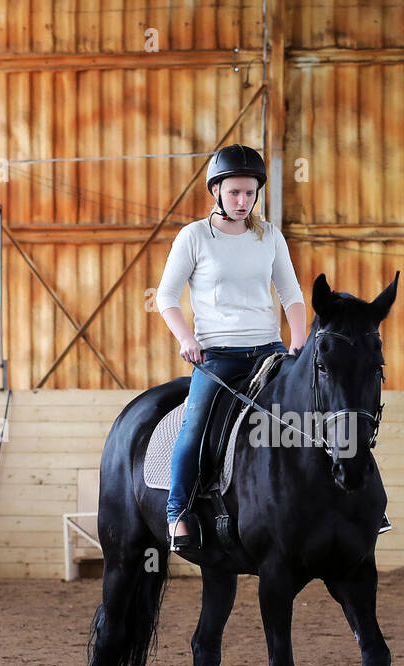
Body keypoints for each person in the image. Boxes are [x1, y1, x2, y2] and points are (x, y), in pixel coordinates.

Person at [154, 144, 307, 553]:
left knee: (316, 410)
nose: (243, 201)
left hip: (269, 350)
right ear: (217, 191)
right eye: (234, 192)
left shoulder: (269, 236)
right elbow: (165, 297)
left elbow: (291, 292)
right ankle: (177, 512)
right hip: (216, 355)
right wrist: (187, 340)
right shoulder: (194, 237)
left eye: (250, 193)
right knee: (196, 424)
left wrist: (298, 340)